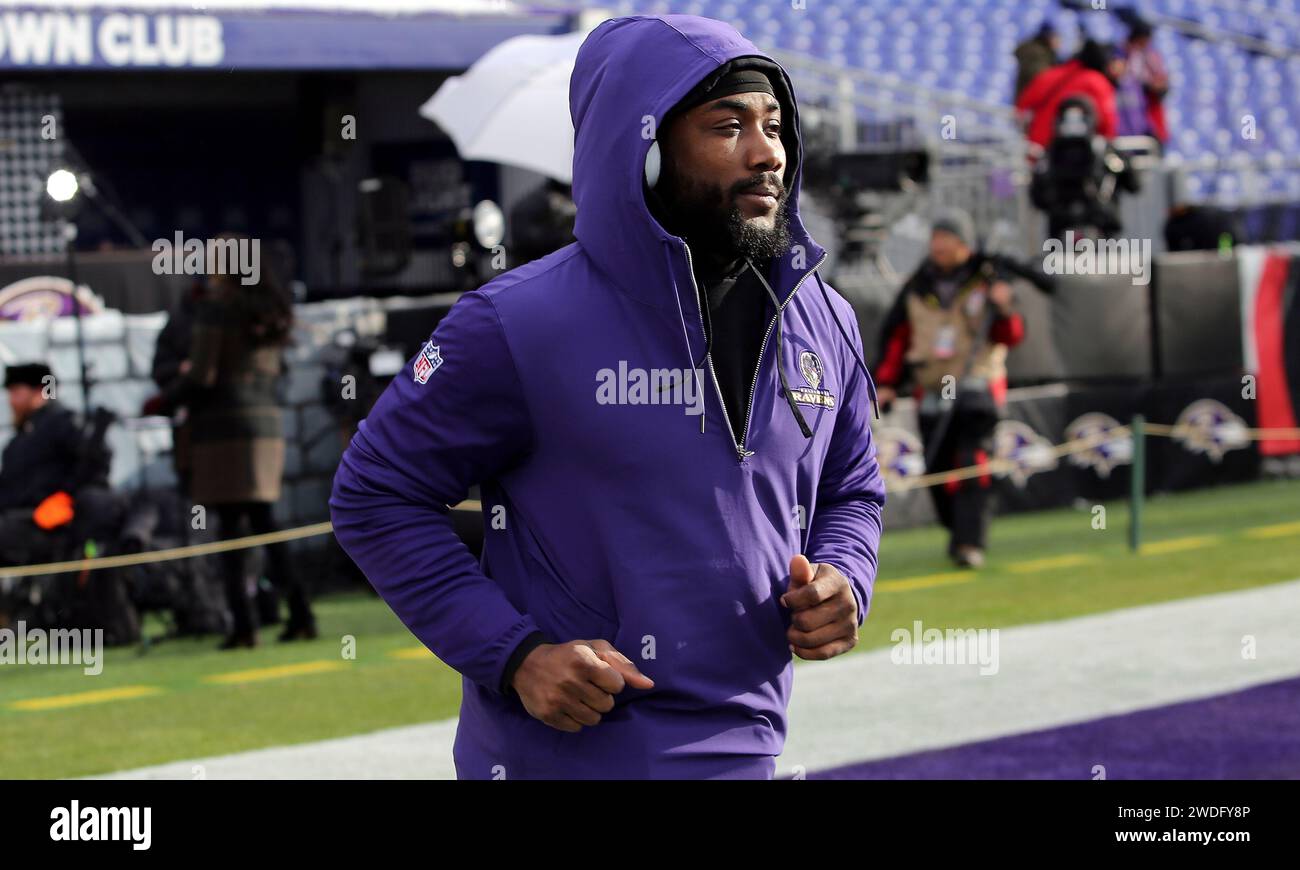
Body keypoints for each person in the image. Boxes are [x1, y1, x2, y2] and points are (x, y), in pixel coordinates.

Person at [330, 13, 886, 780]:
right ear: (648, 153)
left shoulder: (823, 317)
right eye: (727, 127)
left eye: (774, 125)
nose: (768, 154)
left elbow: (853, 488)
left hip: (749, 756)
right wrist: (516, 654)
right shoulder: (515, 323)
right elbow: (374, 494)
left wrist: (845, 575)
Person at [174, 245, 315, 648]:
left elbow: (202, 375)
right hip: (266, 427)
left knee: (231, 534)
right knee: (265, 524)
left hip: (224, 431)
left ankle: (243, 624)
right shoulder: (268, 310)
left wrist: (168, 396)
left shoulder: (218, 308)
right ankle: (300, 612)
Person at [873, 209, 1024, 569]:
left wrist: (1004, 309)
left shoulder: (987, 279)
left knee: (974, 462)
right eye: (935, 238)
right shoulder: (917, 285)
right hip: (933, 388)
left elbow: (1012, 336)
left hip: (977, 386)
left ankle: (970, 543)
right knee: (937, 465)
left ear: (964, 244)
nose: (939, 245)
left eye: (947, 239)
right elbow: (897, 337)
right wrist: (886, 384)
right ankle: (958, 529)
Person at [0, 363, 83, 567]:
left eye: (17, 393)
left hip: (47, 526)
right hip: (16, 521)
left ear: (39, 392)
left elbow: (92, 463)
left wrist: (66, 499)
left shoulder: (63, 423)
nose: (11, 401)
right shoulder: (23, 434)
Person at [1017, 39, 1120, 150]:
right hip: (1078, 152)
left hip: (1041, 147)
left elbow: (1022, 106)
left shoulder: (1049, 75)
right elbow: (1107, 123)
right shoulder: (1098, 82)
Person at [1118, 18, 1169, 145]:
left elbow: (1161, 82)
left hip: (1151, 114)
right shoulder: (1122, 54)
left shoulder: (1151, 56)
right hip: (1129, 116)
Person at [1014, 23, 1060, 101]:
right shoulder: (1036, 53)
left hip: (1030, 95)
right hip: (1030, 97)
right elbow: (1040, 76)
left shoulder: (1044, 52)